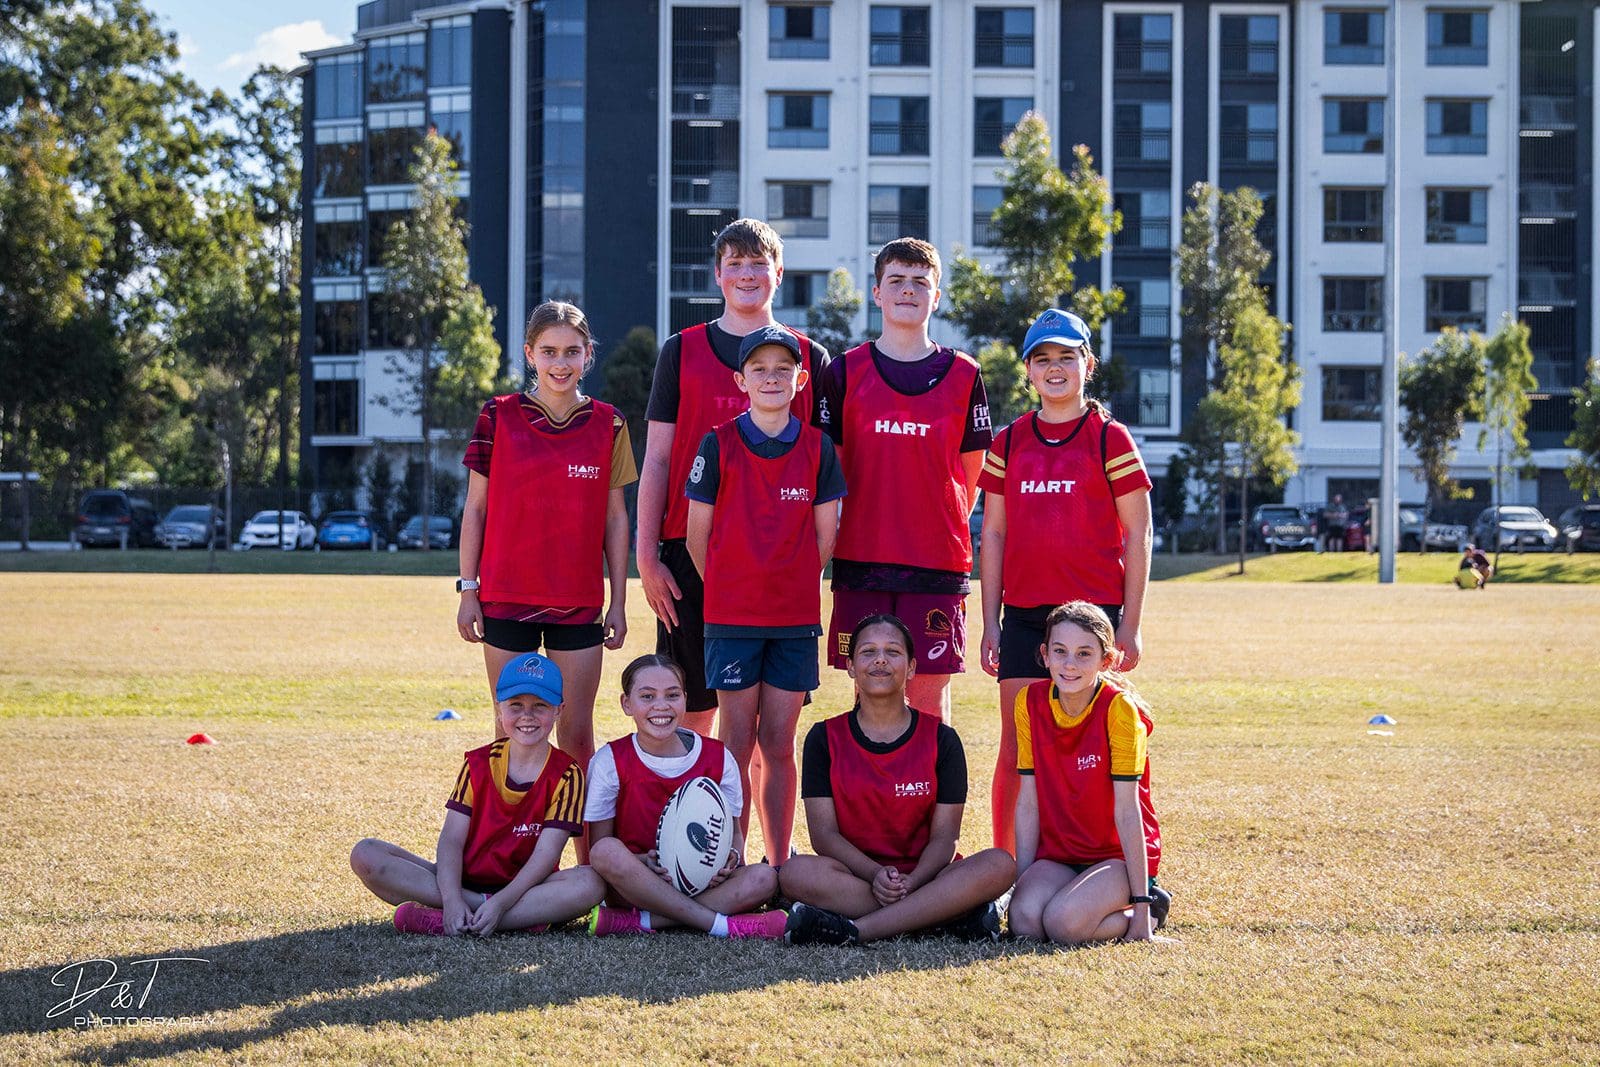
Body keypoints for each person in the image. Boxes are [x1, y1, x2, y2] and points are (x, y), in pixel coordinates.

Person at [636, 219, 830, 736]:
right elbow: (656, 458)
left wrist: (811, 559)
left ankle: (760, 822)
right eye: (736, 264)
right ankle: (696, 816)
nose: (748, 275)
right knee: (693, 706)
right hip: (689, 549)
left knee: (770, 724)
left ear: (779, 273)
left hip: (776, 560)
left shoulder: (810, 359)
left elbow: (825, 470)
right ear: (717, 274)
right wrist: (646, 555)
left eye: (759, 263)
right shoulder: (682, 350)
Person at [976, 308, 1153, 852]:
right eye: (1043, 359)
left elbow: (1139, 533)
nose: (1055, 369)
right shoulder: (1009, 441)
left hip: (1094, 619)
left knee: (1095, 746)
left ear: (1087, 364)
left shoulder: (1110, 438)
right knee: (1018, 747)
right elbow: (995, 536)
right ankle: (1007, 870)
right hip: (1027, 617)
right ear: (1028, 370)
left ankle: (1101, 859)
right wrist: (990, 624)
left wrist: (1131, 628)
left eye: (1066, 357)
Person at [685, 325, 845, 865]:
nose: (772, 377)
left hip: (794, 621)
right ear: (740, 379)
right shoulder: (719, 442)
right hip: (731, 620)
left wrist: (786, 581)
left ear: (801, 380)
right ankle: (728, 857)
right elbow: (695, 537)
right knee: (735, 741)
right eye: (760, 369)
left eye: (784, 369)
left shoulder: (818, 448)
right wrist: (736, 588)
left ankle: (778, 863)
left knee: (778, 743)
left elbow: (826, 538)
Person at [456, 301, 634, 784]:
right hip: (504, 597)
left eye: (572, 352)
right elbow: (475, 509)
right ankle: (502, 856)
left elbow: (616, 520)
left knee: (576, 734)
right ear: (530, 353)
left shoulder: (609, 423)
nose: (561, 363)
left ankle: (588, 857)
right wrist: (467, 588)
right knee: (509, 730)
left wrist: (618, 602)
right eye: (550, 351)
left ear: (588, 354)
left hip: (577, 602)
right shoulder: (497, 416)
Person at [816, 238, 993, 723]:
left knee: (930, 698)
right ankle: (872, 797)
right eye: (896, 280)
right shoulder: (844, 372)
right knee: (869, 694)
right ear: (876, 293)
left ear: (937, 295)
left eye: (921, 281)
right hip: (861, 558)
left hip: (935, 561)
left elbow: (971, 474)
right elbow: (829, 471)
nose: (908, 290)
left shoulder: (964, 374)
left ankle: (933, 798)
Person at [780, 615, 1016, 946]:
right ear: (850, 667)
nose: (880, 659)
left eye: (893, 651)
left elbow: (945, 838)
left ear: (912, 668)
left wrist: (914, 881)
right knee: (794, 873)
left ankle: (858, 930)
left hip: (927, 876)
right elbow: (824, 836)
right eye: (868, 652)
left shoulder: (942, 739)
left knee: (1000, 864)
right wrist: (876, 875)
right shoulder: (824, 737)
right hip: (856, 877)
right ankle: (942, 916)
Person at [349, 653, 604, 936]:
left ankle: (458, 919)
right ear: (499, 708)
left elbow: (545, 856)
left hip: (526, 889)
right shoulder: (478, 763)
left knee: (591, 882)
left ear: (558, 710)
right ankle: (508, 917)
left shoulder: (567, 773)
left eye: (540, 705)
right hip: (463, 882)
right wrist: (453, 898)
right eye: (515, 705)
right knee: (366, 853)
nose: (527, 716)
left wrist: (502, 903)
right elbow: (451, 841)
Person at [584, 654, 787, 939]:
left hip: (704, 884)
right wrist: (645, 862)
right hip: (637, 887)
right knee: (605, 852)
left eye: (672, 695)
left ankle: (642, 922)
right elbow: (601, 847)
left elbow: (735, 839)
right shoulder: (610, 760)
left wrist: (726, 861)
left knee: (764, 878)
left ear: (685, 699)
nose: (661, 706)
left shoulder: (718, 757)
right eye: (647, 696)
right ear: (626, 704)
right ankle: (720, 925)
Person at [1009, 603, 1170, 946]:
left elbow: (1130, 811)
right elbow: (1028, 802)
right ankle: (1067, 899)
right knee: (1025, 921)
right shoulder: (1028, 701)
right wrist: (1024, 882)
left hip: (1116, 856)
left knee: (1063, 925)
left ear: (1106, 660)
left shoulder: (1119, 709)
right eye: (1060, 651)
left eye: (1084, 654)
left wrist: (1140, 912)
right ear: (1045, 654)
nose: (1069, 664)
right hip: (1061, 852)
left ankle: (1153, 908)